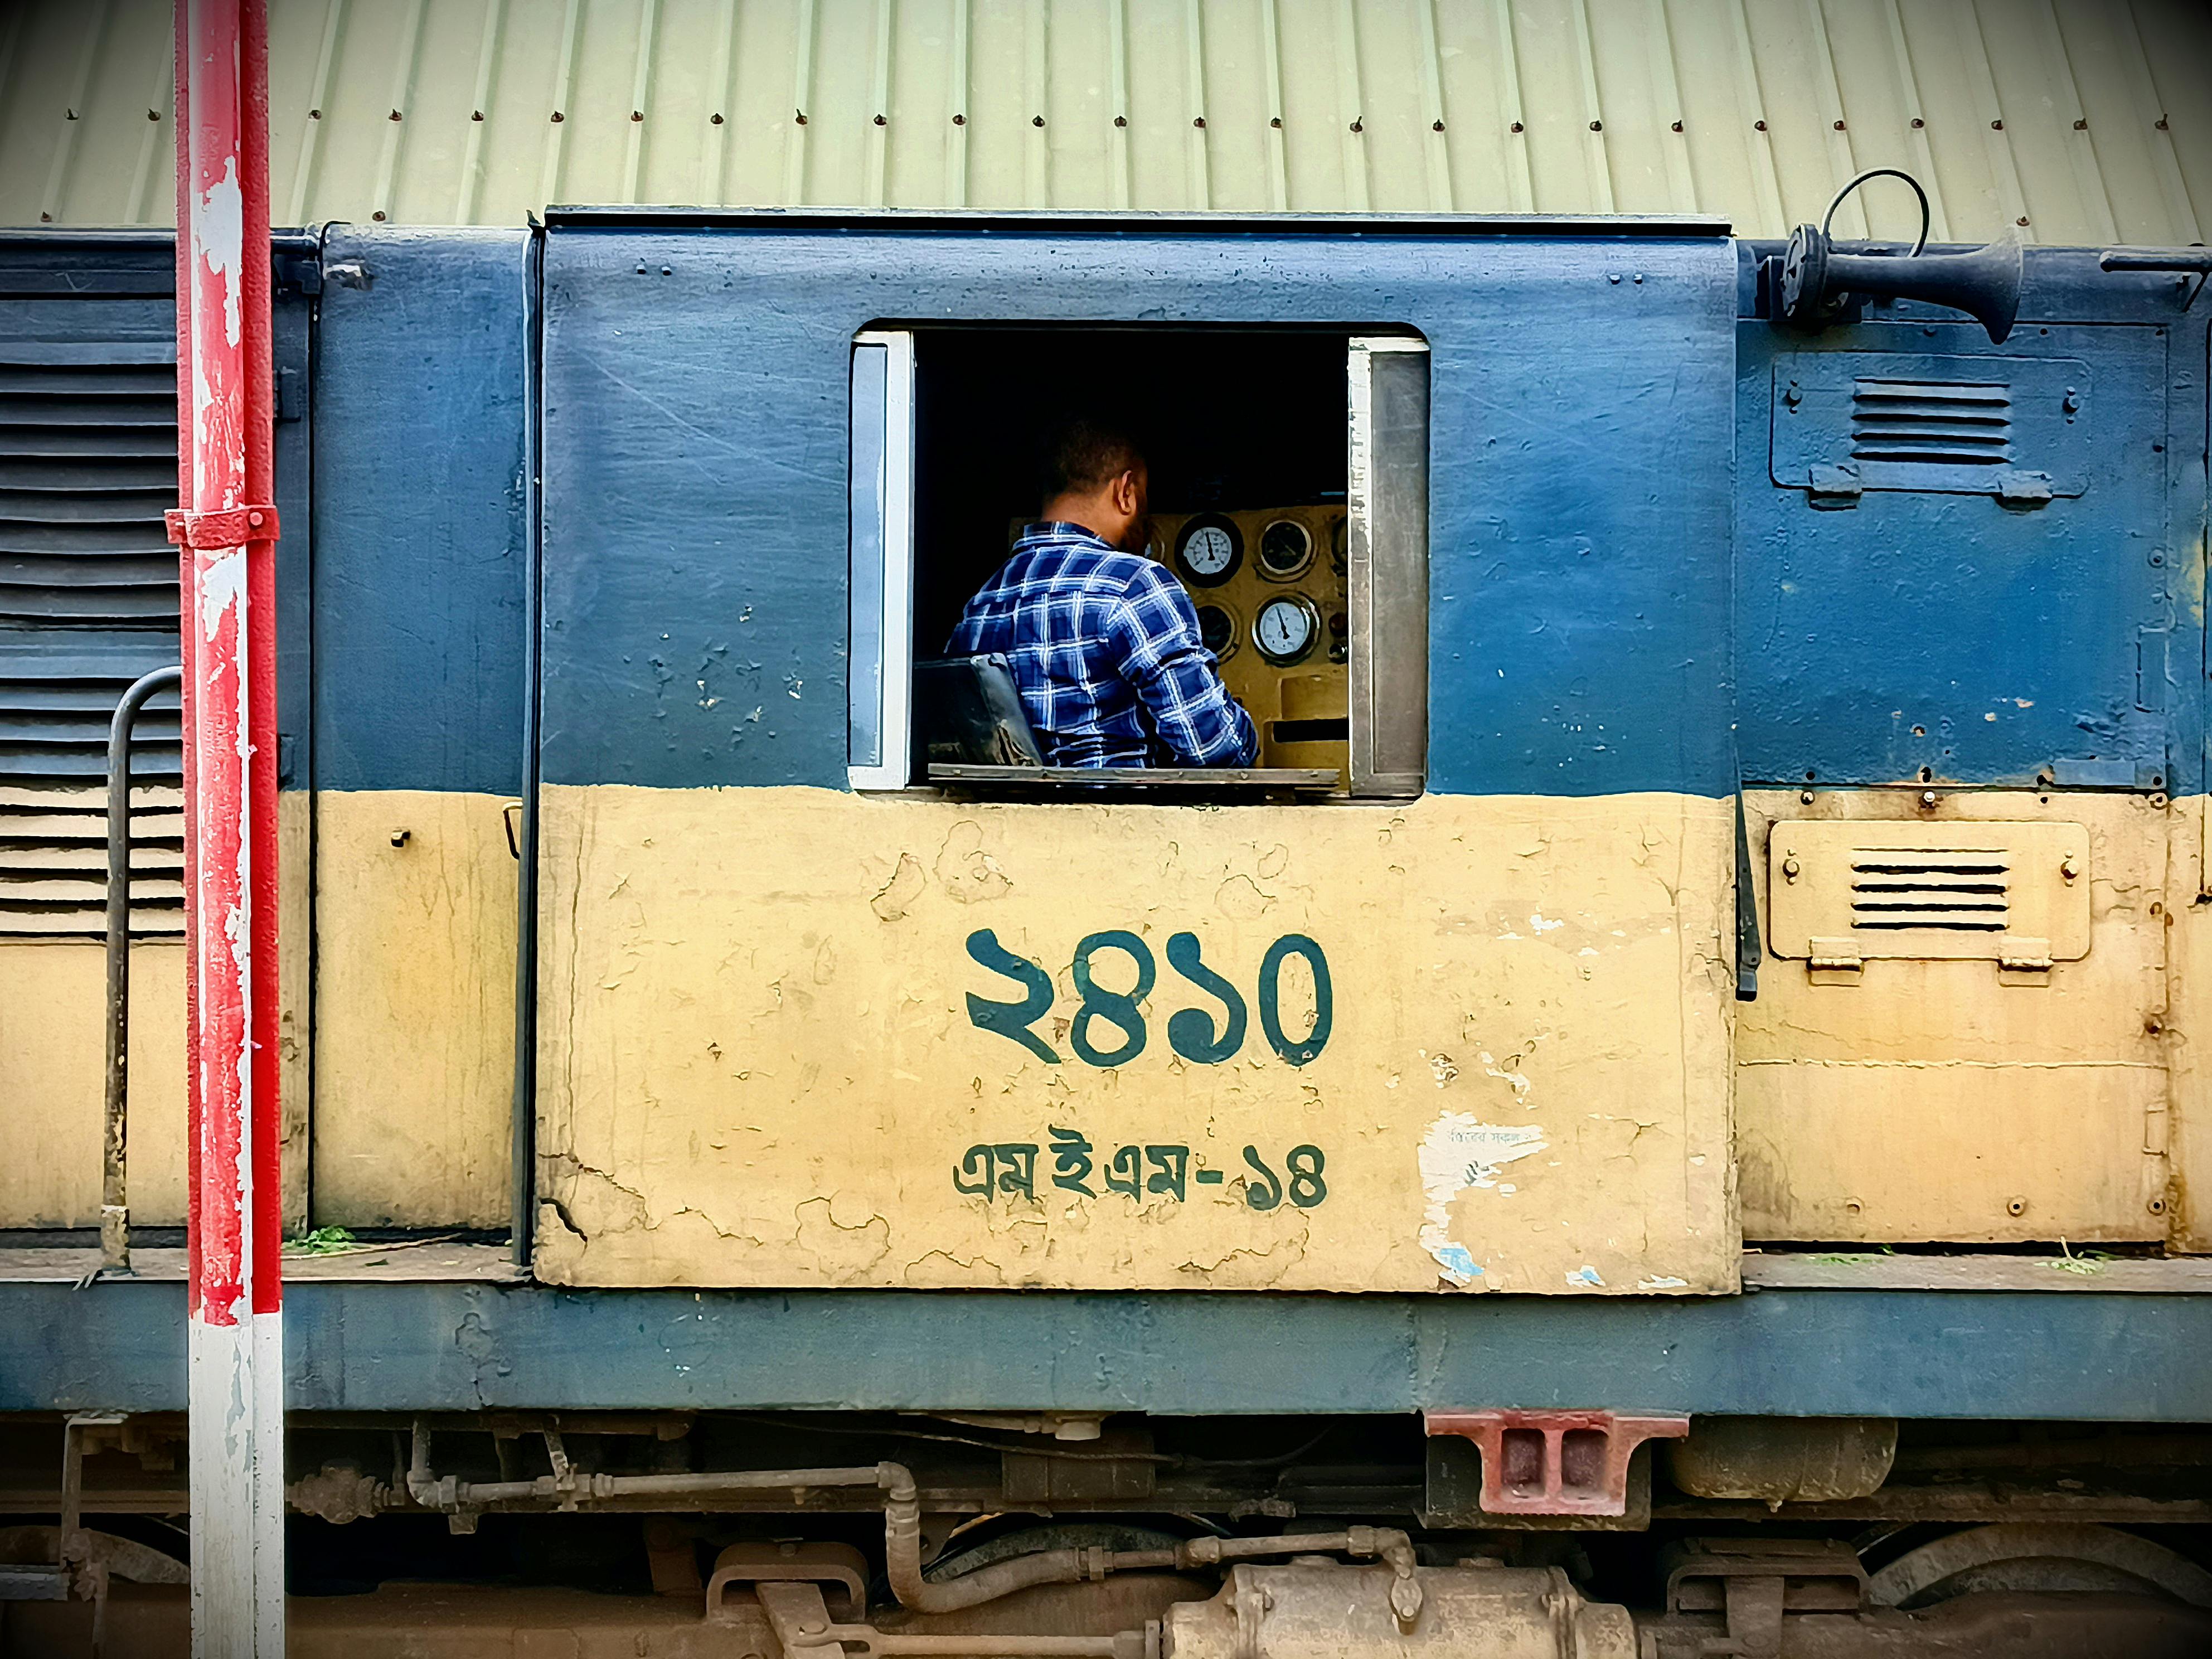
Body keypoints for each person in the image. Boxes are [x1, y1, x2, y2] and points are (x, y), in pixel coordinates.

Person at [948, 419, 1258, 769]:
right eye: (1143, 496)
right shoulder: (1134, 586)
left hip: (1010, 821)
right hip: (1121, 819)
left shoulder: (980, 607)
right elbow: (1215, 749)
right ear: (1125, 491)